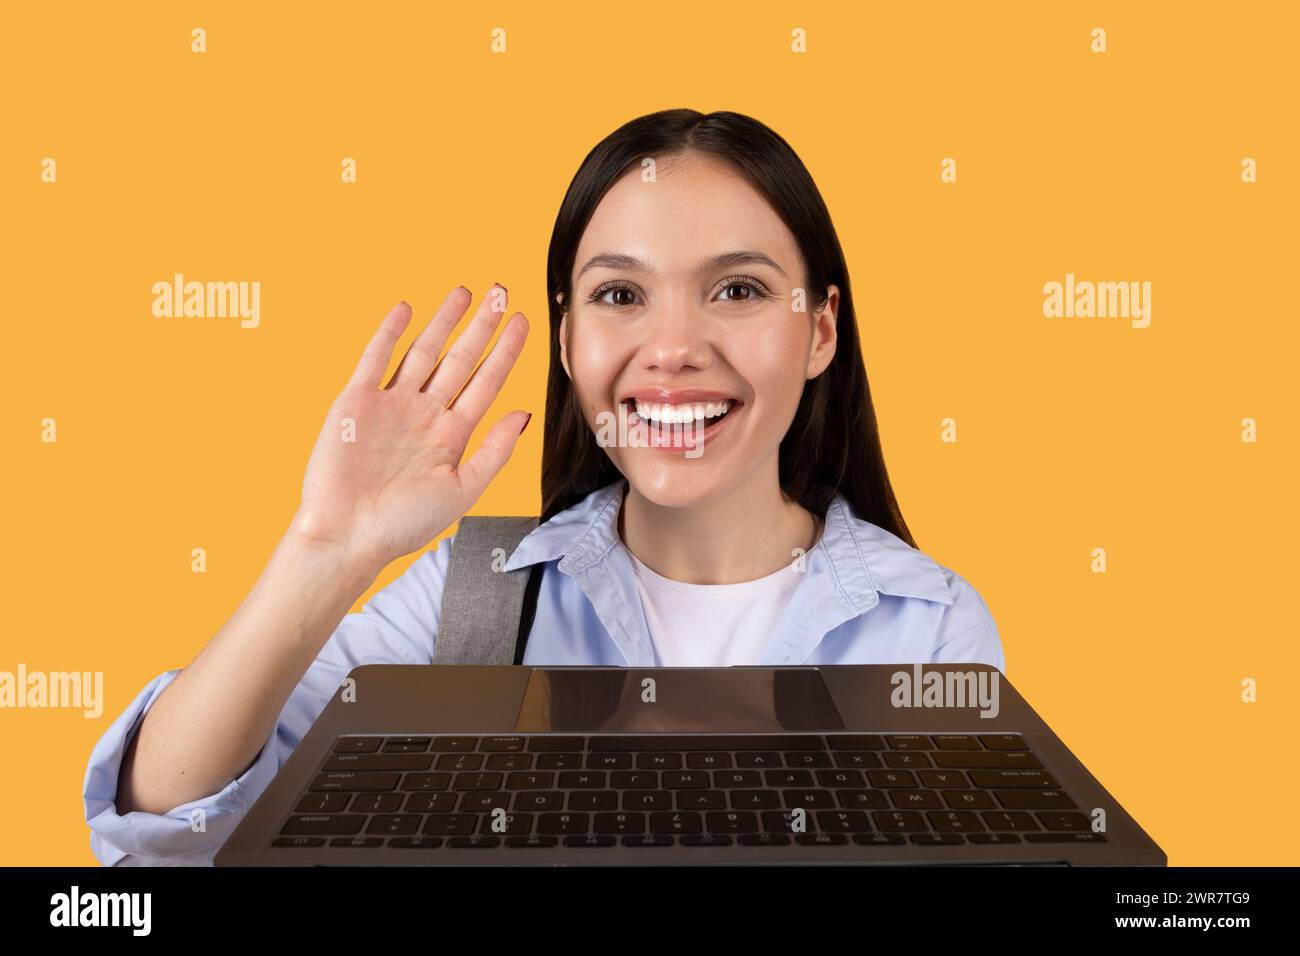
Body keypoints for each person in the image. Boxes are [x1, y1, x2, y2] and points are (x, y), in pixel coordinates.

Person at [82, 108, 1004, 866]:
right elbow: (172, 830)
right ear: (568, 343)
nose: (674, 349)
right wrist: (326, 551)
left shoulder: (926, 625)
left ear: (820, 331)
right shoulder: (475, 602)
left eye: (737, 290)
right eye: (618, 296)